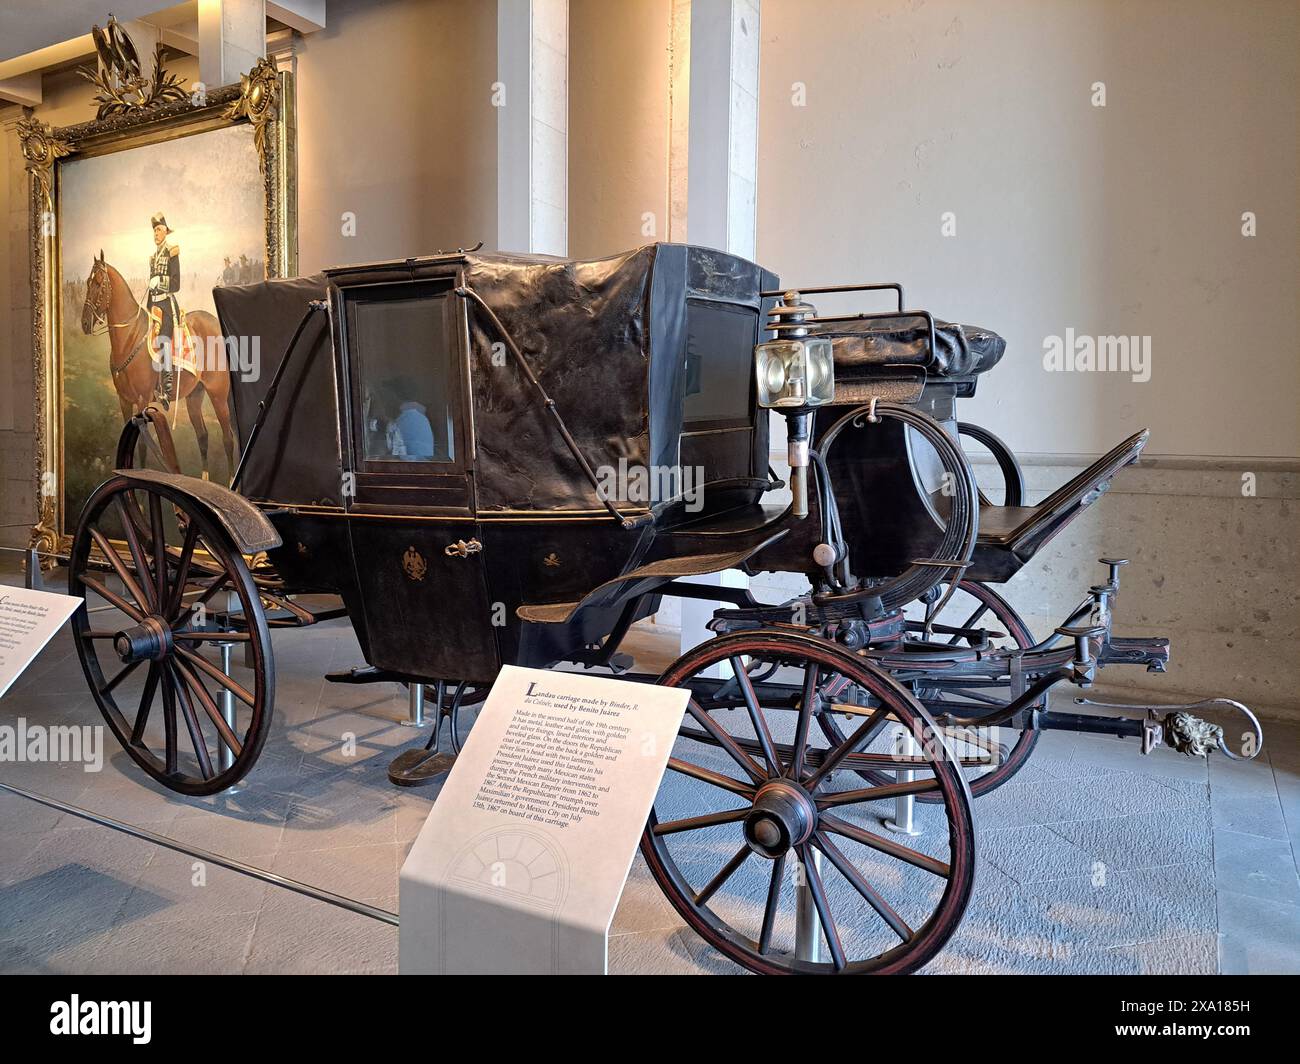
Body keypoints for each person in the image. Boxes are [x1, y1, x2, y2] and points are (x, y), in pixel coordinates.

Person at [146, 212, 183, 408]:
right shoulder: (152, 258)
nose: (156, 234)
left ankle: (167, 390)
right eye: (154, 230)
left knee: (165, 342)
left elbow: (176, 284)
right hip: (154, 304)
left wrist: (159, 281)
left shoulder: (172, 252)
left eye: (159, 230)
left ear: (166, 233)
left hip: (168, 306)